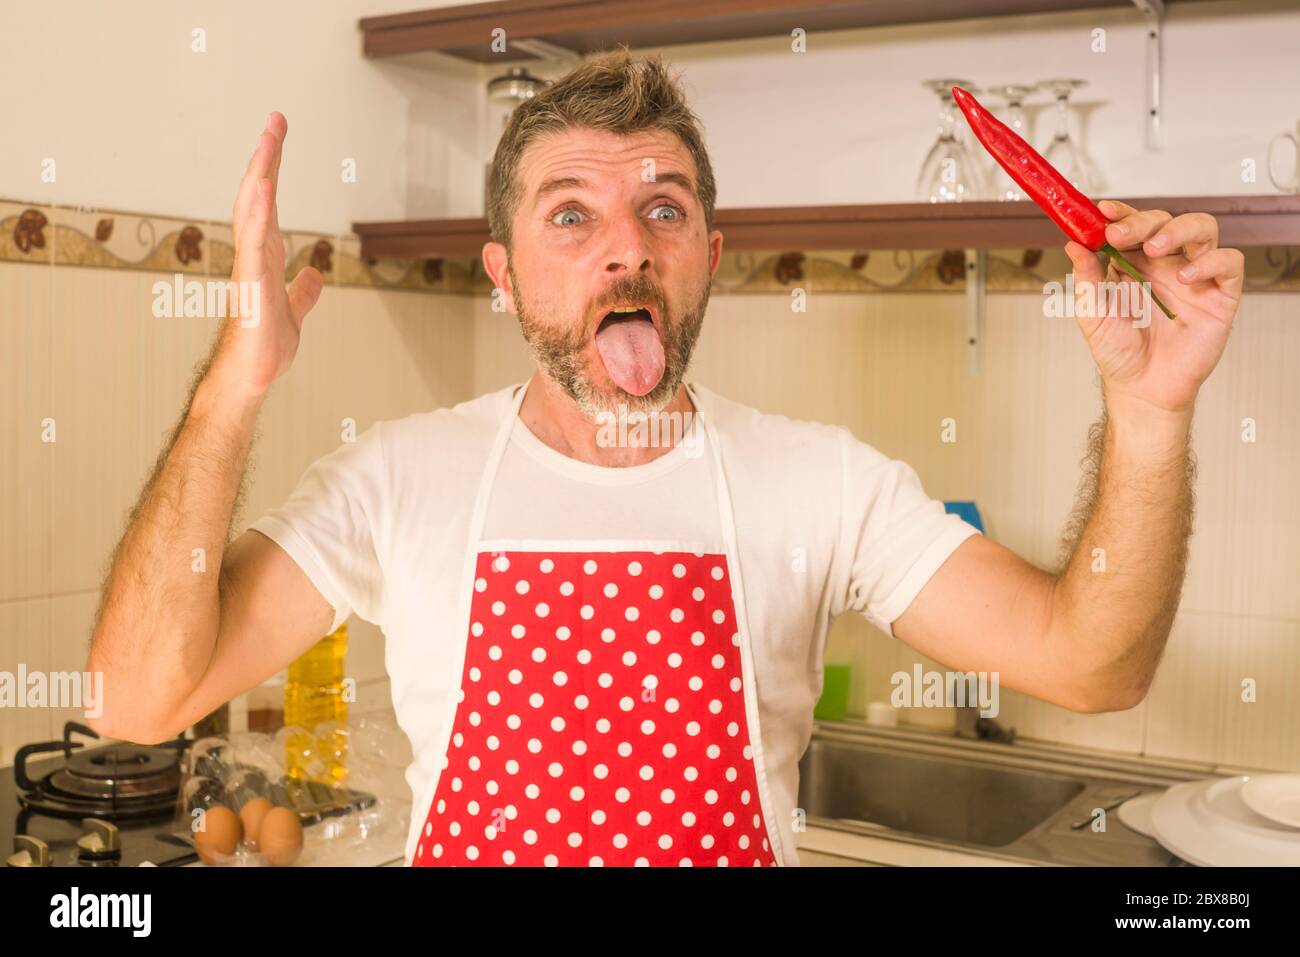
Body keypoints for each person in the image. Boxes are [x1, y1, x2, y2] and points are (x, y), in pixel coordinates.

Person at [87, 51, 1243, 867]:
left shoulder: (821, 483)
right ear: (502, 274)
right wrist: (231, 390)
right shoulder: (394, 480)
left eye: (665, 210)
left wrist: (1148, 410)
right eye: (571, 215)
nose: (625, 250)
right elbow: (139, 700)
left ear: (710, 258)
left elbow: (1094, 668)